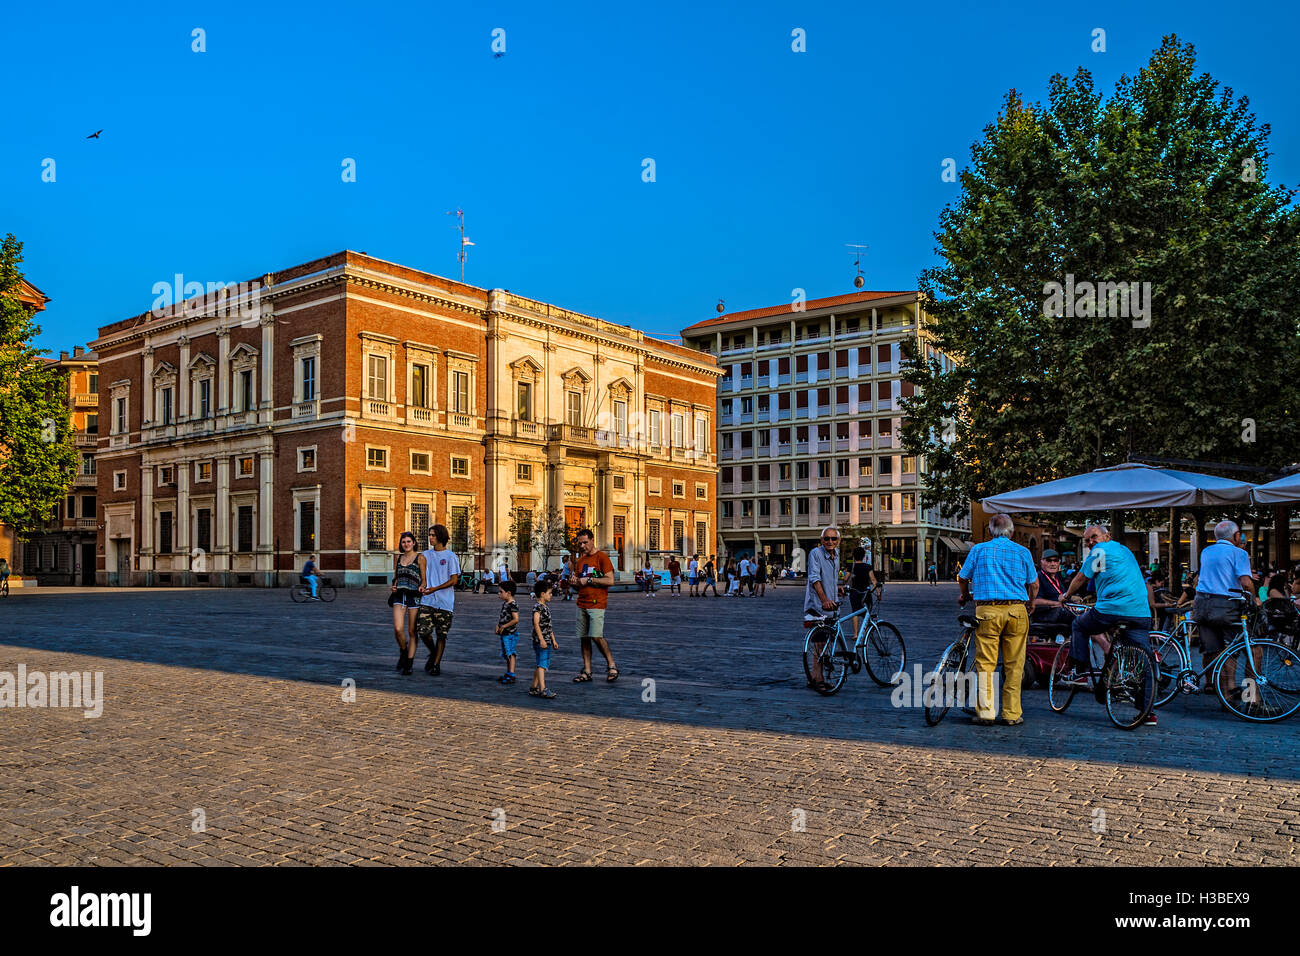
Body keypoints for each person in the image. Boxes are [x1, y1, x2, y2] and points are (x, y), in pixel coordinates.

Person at [1058, 524, 1157, 724]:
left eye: (1093, 537)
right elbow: (1104, 576)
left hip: (1111, 609)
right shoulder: (1124, 550)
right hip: (1140, 612)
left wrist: (1066, 595)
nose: (1090, 542)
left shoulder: (1100, 551)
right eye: (1087, 540)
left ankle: (1079, 671)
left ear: (1106, 535)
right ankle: (1147, 712)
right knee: (1144, 659)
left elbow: (1082, 577)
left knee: (1079, 625)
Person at [957, 514, 1038, 726]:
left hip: (987, 610)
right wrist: (1031, 603)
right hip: (1016, 609)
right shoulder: (1023, 551)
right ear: (1011, 532)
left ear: (990, 532)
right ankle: (1011, 714)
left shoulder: (978, 550)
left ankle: (986, 712)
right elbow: (1034, 584)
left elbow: (963, 577)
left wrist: (964, 595)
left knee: (986, 663)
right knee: (1015, 665)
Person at [1193, 520, 1266, 710]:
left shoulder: (1206, 552)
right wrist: (1256, 599)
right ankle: (1252, 699)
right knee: (1253, 650)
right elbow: (1245, 582)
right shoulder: (1239, 553)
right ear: (1236, 536)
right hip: (1227, 606)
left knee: (1220, 652)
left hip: (1201, 605)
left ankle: (1227, 697)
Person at [570, 528, 618, 682]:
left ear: (592, 540)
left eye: (585, 542)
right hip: (581, 602)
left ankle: (611, 665)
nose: (582, 546)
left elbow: (610, 580)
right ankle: (587, 670)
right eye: (580, 543)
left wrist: (590, 580)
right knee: (584, 638)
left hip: (597, 603)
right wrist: (574, 582)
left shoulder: (602, 557)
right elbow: (579, 583)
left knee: (596, 636)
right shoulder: (581, 561)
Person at [804, 527, 845, 691]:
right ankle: (818, 680)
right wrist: (824, 600)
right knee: (820, 643)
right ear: (821, 540)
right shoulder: (816, 553)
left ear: (838, 541)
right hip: (818, 605)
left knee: (824, 643)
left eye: (833, 539)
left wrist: (837, 590)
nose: (830, 542)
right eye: (826, 539)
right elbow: (815, 578)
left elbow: (831, 579)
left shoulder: (836, 556)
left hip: (832, 605)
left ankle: (815, 678)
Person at [416, 524, 460, 675]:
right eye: (429, 535)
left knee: (442, 635)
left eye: (433, 535)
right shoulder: (425, 555)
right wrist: (423, 585)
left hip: (445, 603)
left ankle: (436, 664)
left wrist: (436, 588)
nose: (430, 538)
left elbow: (454, 580)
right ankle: (433, 651)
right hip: (427, 600)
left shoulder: (450, 557)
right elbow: (423, 578)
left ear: (441, 536)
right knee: (423, 631)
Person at [389, 532, 427, 675]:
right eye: (403, 542)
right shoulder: (398, 558)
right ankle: (403, 651)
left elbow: (424, 579)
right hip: (399, 595)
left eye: (409, 541)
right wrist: (393, 585)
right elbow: (395, 578)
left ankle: (409, 663)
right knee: (398, 629)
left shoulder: (420, 558)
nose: (406, 544)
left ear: (414, 543)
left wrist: (422, 586)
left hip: (414, 597)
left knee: (412, 631)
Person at [1030, 549, 1075, 633]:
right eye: (1049, 561)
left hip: (1061, 611)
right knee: (1080, 620)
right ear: (1042, 561)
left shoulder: (1059, 577)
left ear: (1059, 563)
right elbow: (1034, 600)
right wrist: (1056, 604)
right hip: (1046, 614)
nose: (1053, 564)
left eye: (1055, 561)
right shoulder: (1038, 577)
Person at [530, 578, 559, 699]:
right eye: (549, 593)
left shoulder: (545, 607)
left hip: (547, 639)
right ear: (542, 594)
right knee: (542, 664)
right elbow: (536, 623)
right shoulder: (538, 608)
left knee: (540, 663)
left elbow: (549, 626)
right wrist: (541, 639)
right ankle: (543, 689)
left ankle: (534, 687)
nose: (551, 595)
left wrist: (553, 639)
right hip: (541, 640)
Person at [846, 546, 881, 627]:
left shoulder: (851, 566)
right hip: (866, 592)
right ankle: (865, 633)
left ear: (854, 556)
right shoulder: (867, 567)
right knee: (867, 612)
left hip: (854, 592)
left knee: (855, 612)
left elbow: (845, 579)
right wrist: (878, 593)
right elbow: (873, 580)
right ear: (863, 556)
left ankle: (855, 634)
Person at [495, 579, 520, 684]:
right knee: (506, 653)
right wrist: (498, 625)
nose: (499, 594)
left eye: (501, 592)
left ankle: (512, 673)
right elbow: (502, 617)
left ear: (508, 593)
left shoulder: (512, 604)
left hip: (510, 633)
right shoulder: (506, 604)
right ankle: (509, 672)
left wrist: (504, 626)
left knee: (510, 653)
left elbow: (516, 619)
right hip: (505, 633)